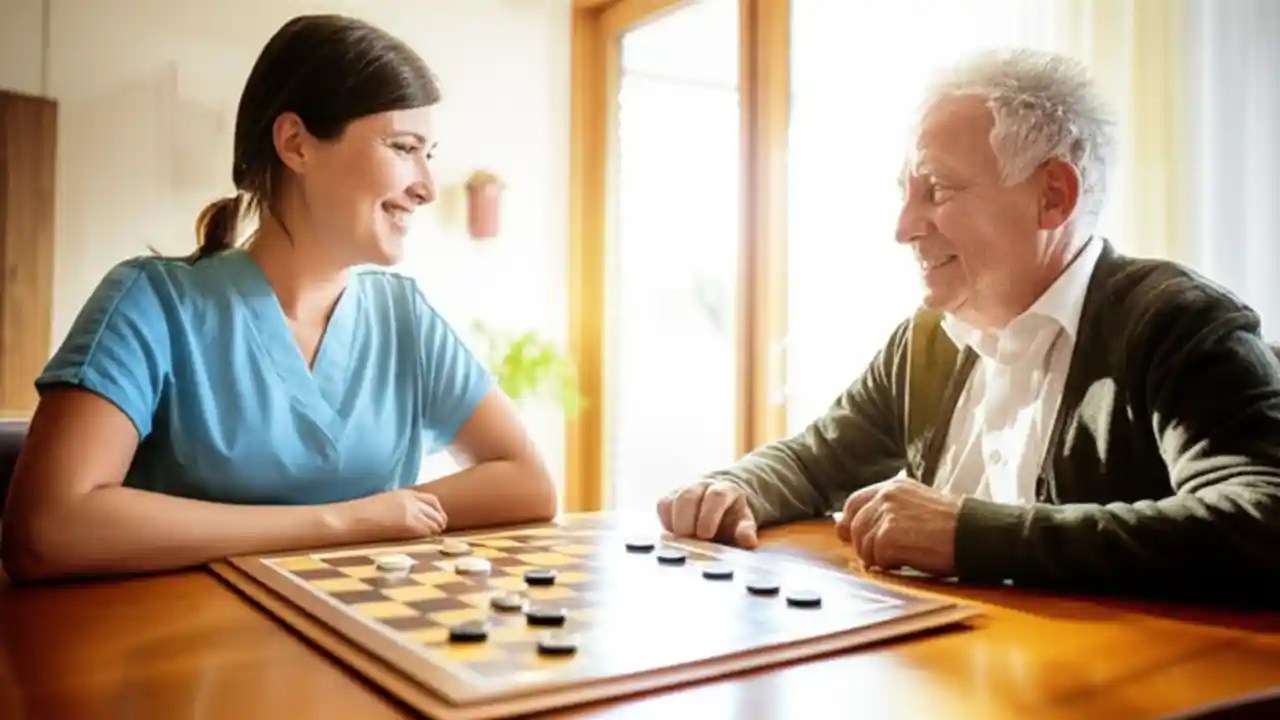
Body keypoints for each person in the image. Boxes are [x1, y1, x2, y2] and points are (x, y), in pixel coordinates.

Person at [658, 48, 1280, 596]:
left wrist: (972, 532)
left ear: (1053, 197)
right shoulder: (924, 340)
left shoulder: (1177, 323)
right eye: (905, 192)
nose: (903, 227)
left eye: (937, 191)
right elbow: (814, 461)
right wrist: (731, 488)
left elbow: (1261, 519)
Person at [1, 14, 556, 583]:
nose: (426, 186)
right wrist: (340, 522)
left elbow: (527, 482)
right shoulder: (151, 303)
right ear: (296, 144)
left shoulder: (404, 318)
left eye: (428, 154)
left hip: (355, 644)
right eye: (403, 147)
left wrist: (389, 516)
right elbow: (47, 528)